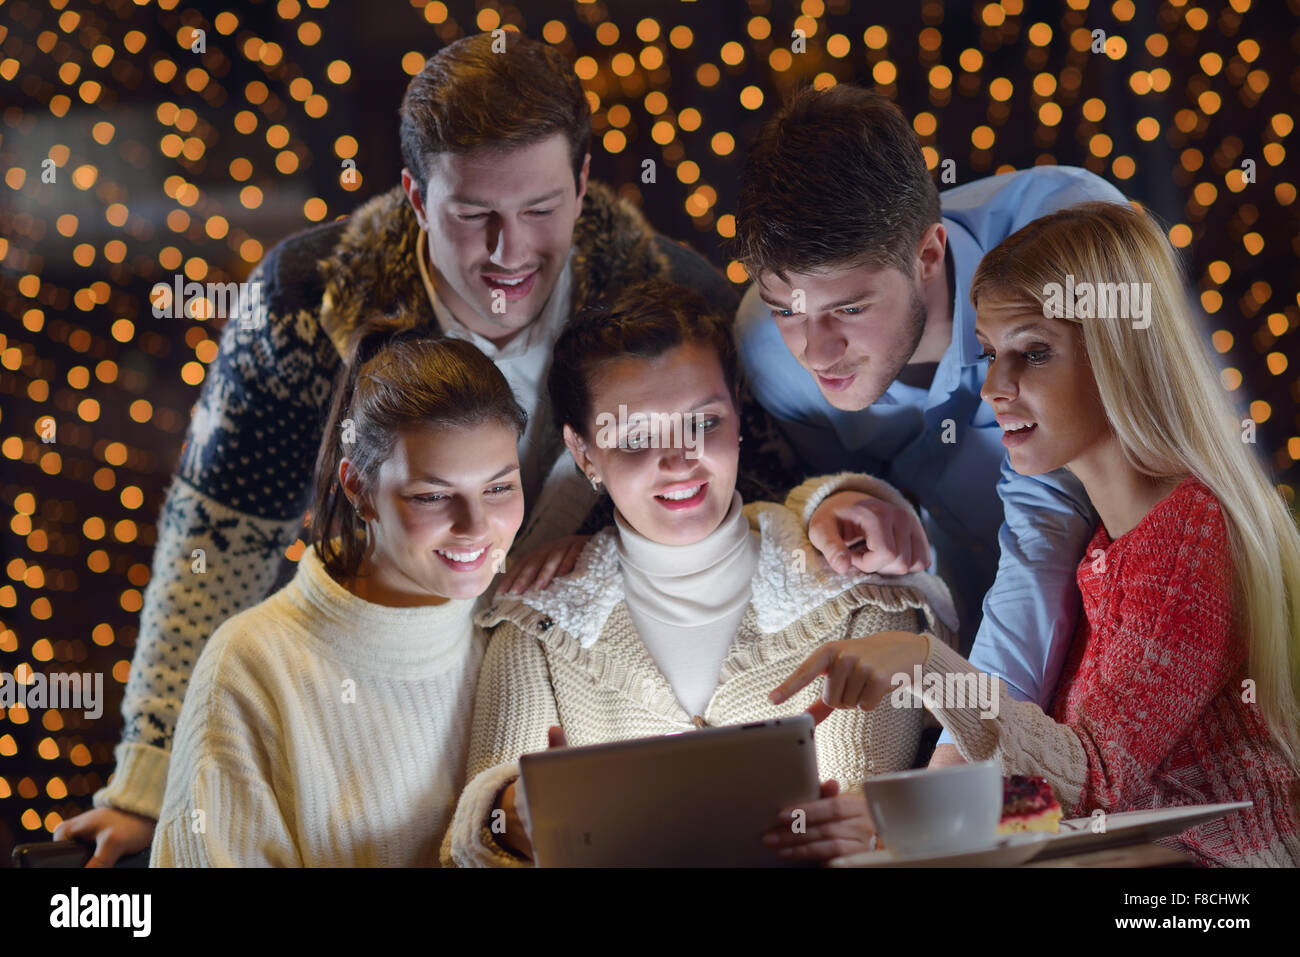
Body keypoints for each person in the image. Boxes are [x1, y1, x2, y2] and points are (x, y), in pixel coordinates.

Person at [61, 30, 795, 865]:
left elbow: (761, 496)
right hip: (371, 696)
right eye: (473, 214)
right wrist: (150, 783)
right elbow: (215, 538)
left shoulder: (668, 297)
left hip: (577, 705)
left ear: (583, 185)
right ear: (415, 194)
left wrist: (834, 502)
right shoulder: (304, 302)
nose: (508, 252)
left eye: (541, 210)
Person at [770, 202, 1300, 867]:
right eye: (991, 353)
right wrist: (889, 819)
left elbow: (1095, 783)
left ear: (1120, 350)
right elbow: (1071, 793)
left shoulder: (1191, 535)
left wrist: (925, 660)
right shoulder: (1103, 550)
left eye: (1033, 351)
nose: (994, 386)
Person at [441, 281, 958, 867]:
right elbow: (473, 837)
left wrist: (887, 832)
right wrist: (510, 821)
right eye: (636, 437)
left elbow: (1009, 795)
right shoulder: (540, 624)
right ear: (584, 453)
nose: (680, 460)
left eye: (703, 423)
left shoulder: (866, 601)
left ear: (737, 415)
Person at [731, 84, 1130, 769]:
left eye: (849, 309)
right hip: (946, 657)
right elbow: (860, 510)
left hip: (1128, 638)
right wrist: (842, 499)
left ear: (928, 255)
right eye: (787, 309)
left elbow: (1046, 534)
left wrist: (956, 775)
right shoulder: (769, 353)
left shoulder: (1070, 237)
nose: (815, 352)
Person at [151, 318, 528, 865]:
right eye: (432, 496)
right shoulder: (253, 663)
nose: (475, 526)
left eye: (498, 487)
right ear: (360, 489)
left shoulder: (525, 616)